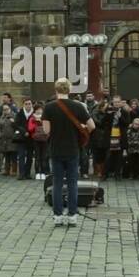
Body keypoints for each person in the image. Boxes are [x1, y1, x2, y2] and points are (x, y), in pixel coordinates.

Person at [42, 78, 94, 227]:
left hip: (56, 149)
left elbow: (46, 131)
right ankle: (72, 215)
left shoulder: (49, 107)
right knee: (72, 184)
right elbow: (92, 126)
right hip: (73, 149)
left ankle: (58, 216)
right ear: (69, 90)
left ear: (56, 89)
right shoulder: (78, 106)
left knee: (57, 184)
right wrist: (80, 128)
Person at [15, 98, 35, 180]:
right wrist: (24, 132)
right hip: (21, 138)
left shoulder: (34, 114)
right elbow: (16, 124)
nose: (28, 105)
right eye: (26, 104)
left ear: (32, 104)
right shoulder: (20, 113)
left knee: (30, 156)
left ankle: (28, 173)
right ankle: (21, 174)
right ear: (23, 105)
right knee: (21, 156)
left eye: (29, 103)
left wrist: (29, 132)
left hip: (31, 138)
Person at [28, 104, 50, 180]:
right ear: (35, 110)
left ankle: (43, 172)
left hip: (44, 139)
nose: (39, 111)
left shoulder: (45, 117)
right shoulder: (32, 118)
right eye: (37, 109)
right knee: (37, 156)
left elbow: (49, 127)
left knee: (44, 156)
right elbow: (30, 129)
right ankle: (37, 172)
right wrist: (36, 123)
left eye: (40, 109)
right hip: (36, 140)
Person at [0, 106, 18, 177]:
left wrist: (13, 122)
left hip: (12, 139)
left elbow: (17, 126)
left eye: (7, 109)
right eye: (4, 110)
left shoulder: (14, 116)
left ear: (10, 109)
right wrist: (0, 134)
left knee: (13, 156)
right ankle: (7, 170)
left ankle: (14, 170)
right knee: (6, 155)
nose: (5, 111)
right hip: (4, 139)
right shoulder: (1, 117)